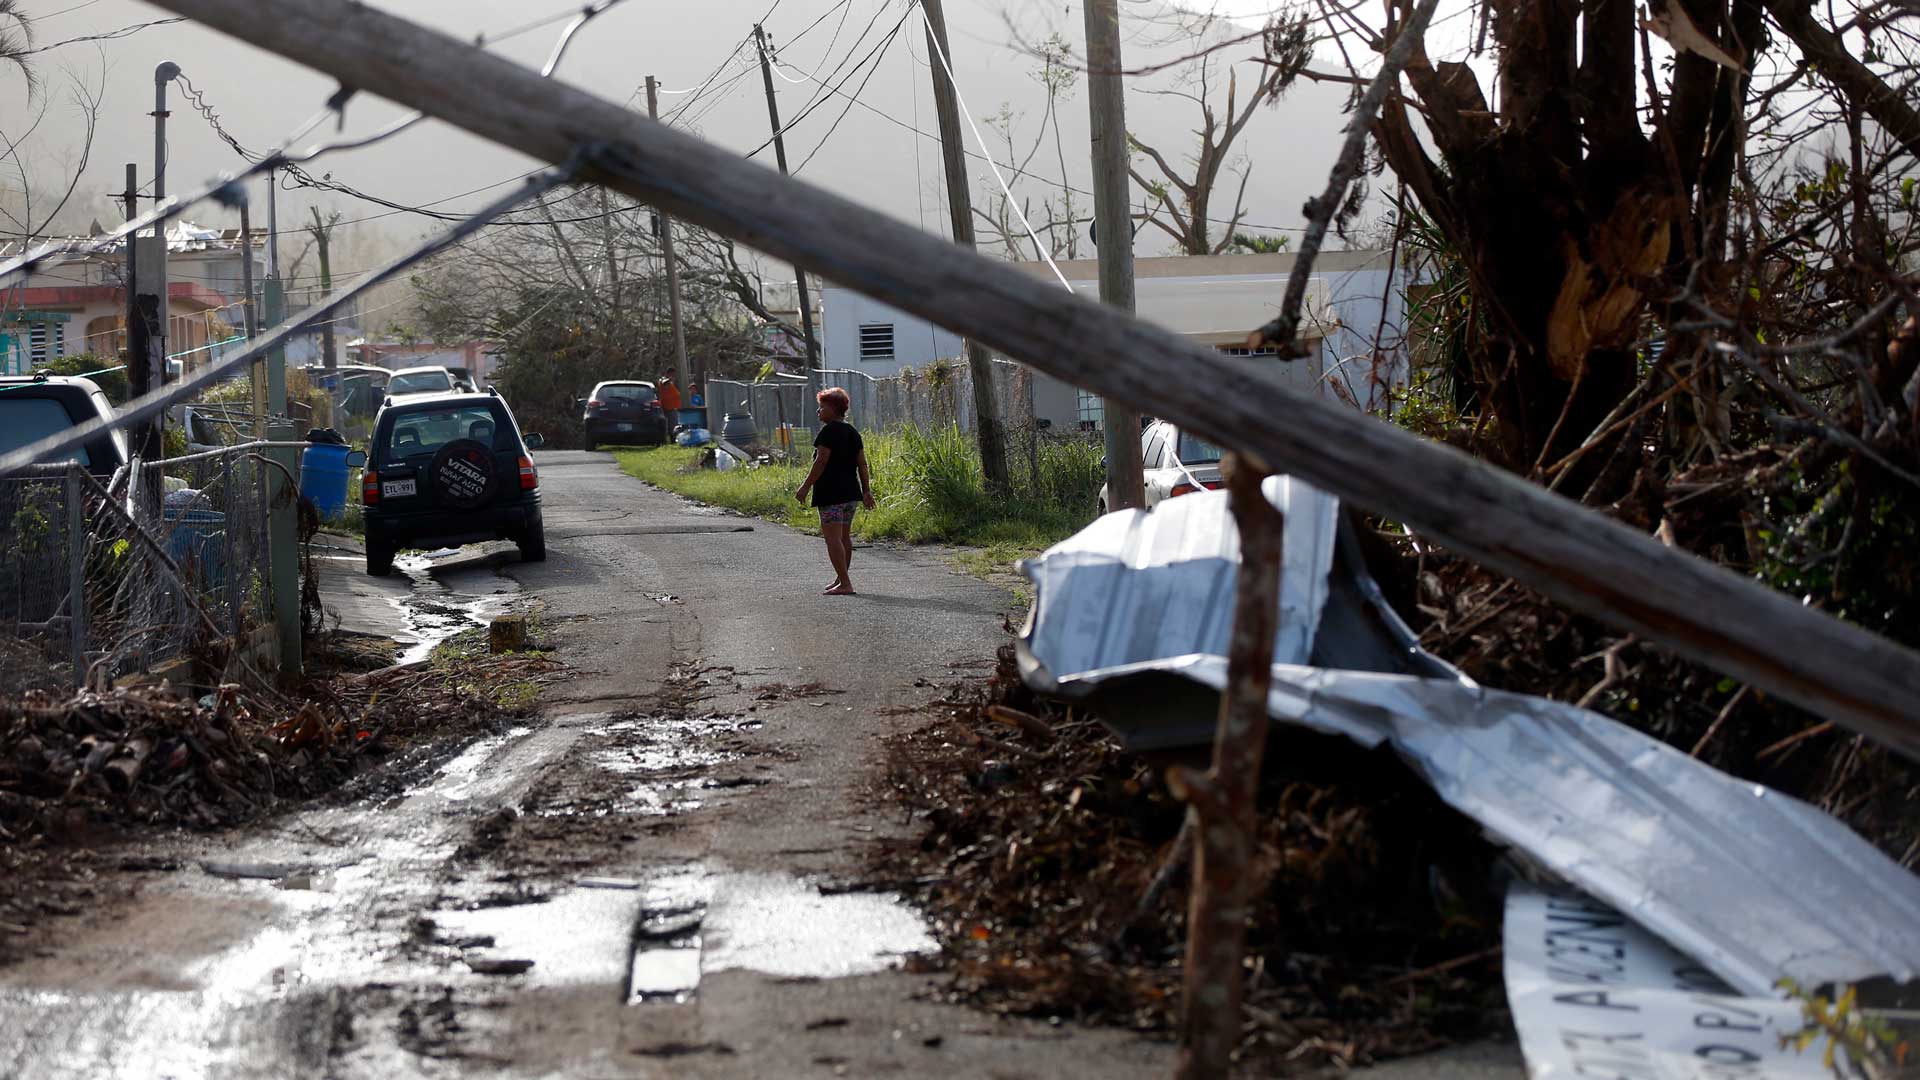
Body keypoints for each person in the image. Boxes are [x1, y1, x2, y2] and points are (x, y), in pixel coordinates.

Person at [795, 386, 875, 595]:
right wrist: (866, 491)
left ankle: (846, 583)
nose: (819, 411)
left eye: (822, 407)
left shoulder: (828, 431)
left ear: (834, 408)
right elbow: (862, 464)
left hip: (831, 493)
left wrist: (805, 487)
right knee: (844, 538)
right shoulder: (852, 432)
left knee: (832, 539)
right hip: (851, 494)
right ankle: (841, 578)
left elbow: (821, 462)